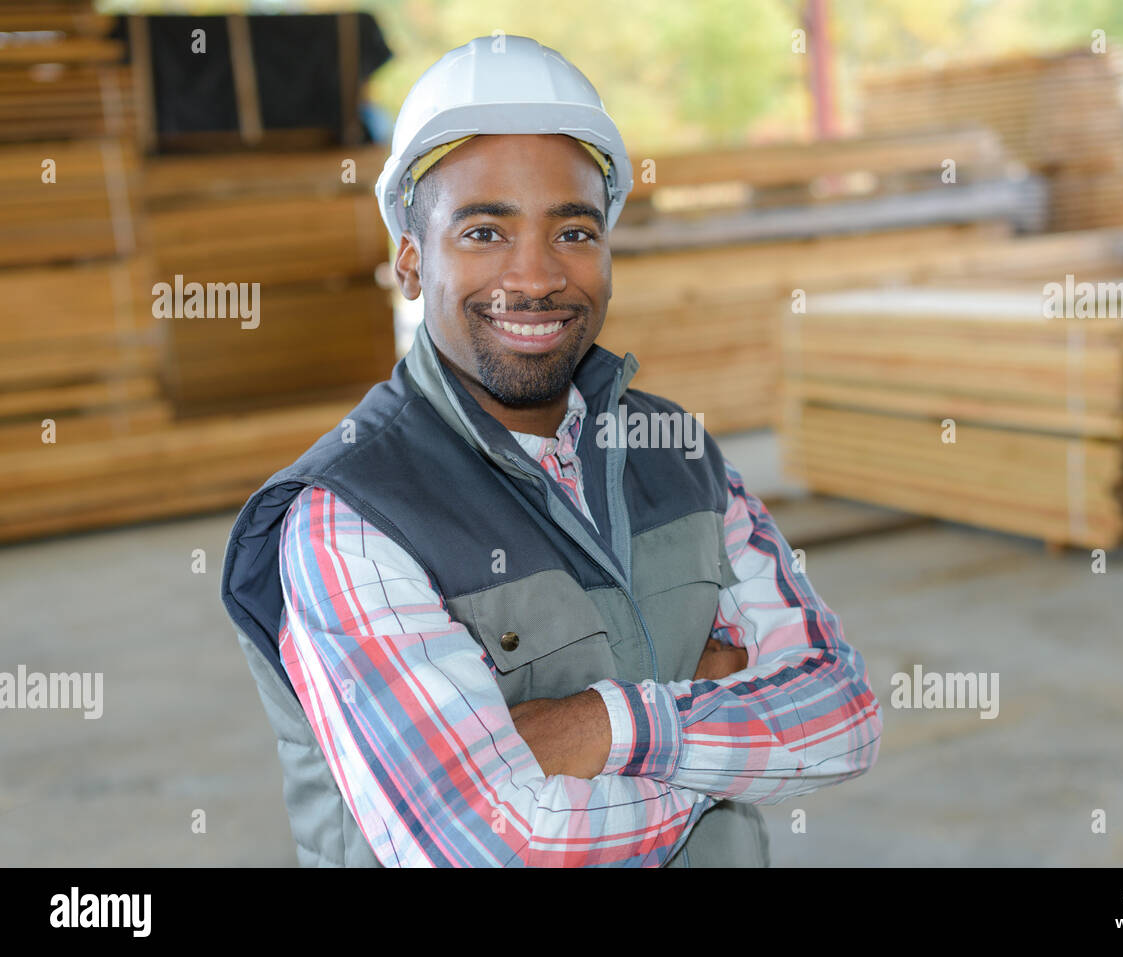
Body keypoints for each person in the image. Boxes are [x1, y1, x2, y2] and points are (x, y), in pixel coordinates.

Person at [220, 34, 882, 867]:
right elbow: (493, 844)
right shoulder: (350, 515)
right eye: (485, 231)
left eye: (572, 231)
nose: (535, 276)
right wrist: (724, 721)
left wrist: (600, 726)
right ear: (411, 262)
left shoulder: (678, 454)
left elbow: (844, 713)